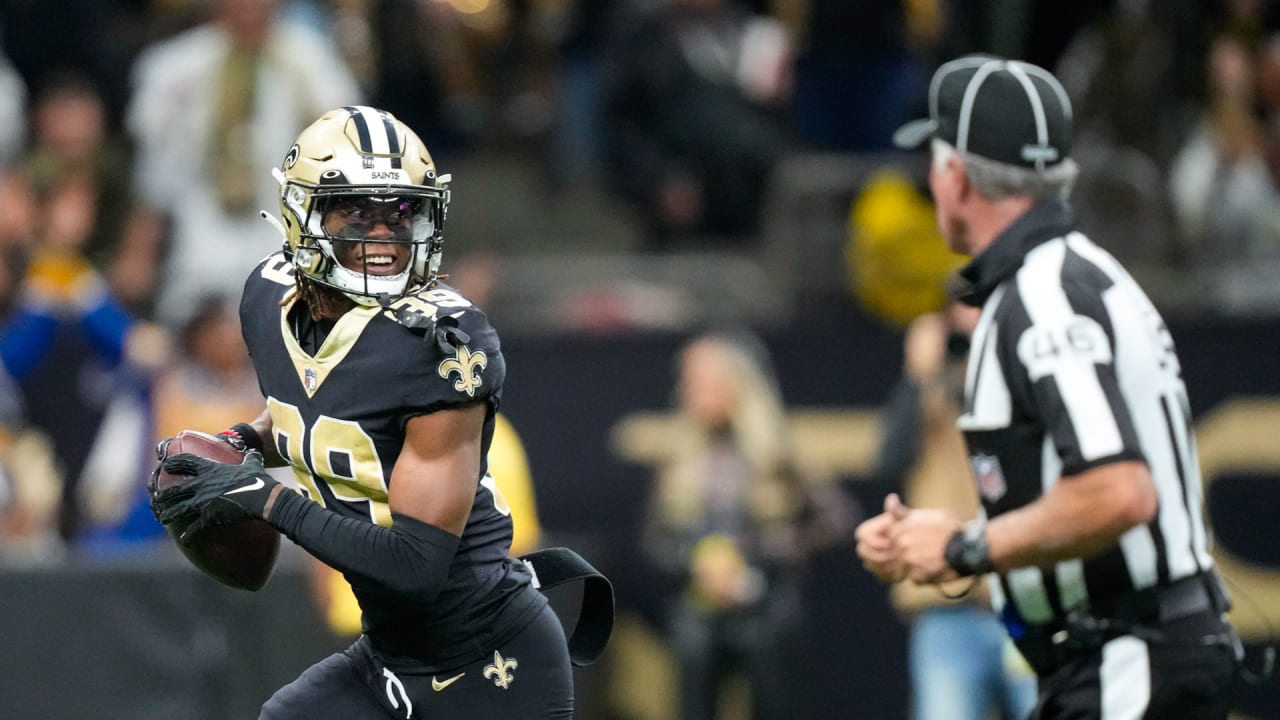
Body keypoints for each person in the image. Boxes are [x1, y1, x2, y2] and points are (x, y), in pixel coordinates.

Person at [149, 106, 609, 718]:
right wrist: (242, 443)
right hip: (391, 657)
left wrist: (264, 498)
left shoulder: (441, 345)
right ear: (302, 214)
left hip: (492, 665)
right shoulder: (269, 299)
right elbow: (306, 412)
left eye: (400, 213)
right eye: (357, 212)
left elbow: (416, 565)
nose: (383, 238)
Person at [855, 56, 1241, 717]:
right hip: (1118, 652)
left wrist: (963, 546)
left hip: (1126, 655)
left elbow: (1119, 489)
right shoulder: (1070, 276)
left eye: (935, 162)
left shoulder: (1044, 296)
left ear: (955, 175)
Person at [640, 330, 847, 720]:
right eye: (688, 382)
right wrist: (694, 563)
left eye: (703, 382)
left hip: (766, 611)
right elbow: (654, 538)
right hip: (700, 614)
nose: (691, 392)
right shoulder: (678, 455)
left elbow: (835, 518)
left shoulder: (775, 451)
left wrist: (774, 551)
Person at [872, 302, 1036, 720]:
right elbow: (888, 462)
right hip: (947, 612)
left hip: (1028, 596)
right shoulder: (928, 390)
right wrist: (918, 374)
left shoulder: (1027, 372)